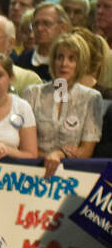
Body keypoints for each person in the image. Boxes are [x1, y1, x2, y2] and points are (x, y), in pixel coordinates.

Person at [21, 34, 102, 176]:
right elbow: (23, 143)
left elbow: (86, 150)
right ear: (53, 61)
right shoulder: (32, 93)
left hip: (72, 174)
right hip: (33, 170)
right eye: (60, 57)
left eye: (72, 59)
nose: (64, 64)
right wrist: (47, 157)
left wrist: (59, 154)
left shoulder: (92, 98)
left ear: (80, 63)